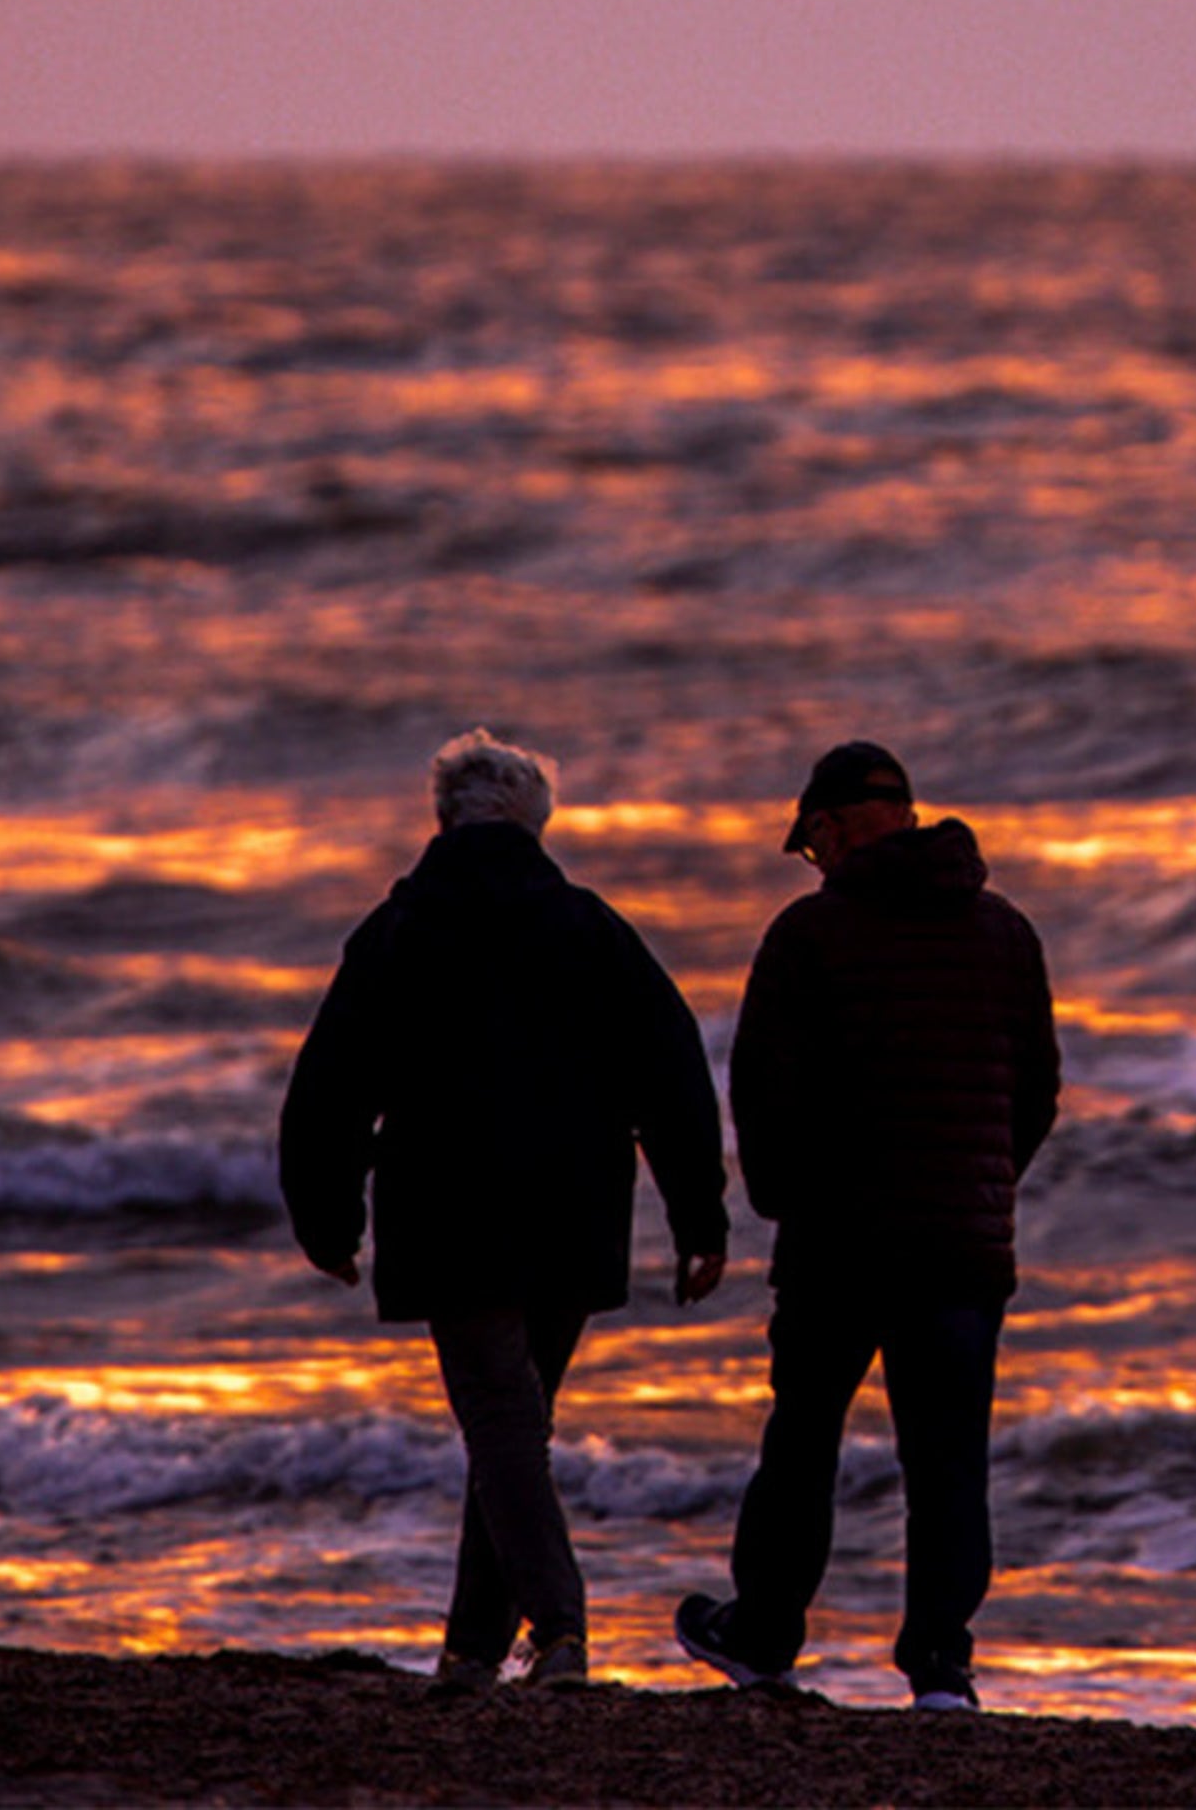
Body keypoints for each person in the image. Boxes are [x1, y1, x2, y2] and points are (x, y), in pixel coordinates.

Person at [277, 730, 729, 1694]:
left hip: (447, 1210)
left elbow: (332, 1084)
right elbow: (673, 1070)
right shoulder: (587, 926)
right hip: (573, 1208)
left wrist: (327, 1216)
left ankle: (559, 1631)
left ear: (443, 822)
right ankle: (475, 1651)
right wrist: (700, 1218)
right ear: (536, 824)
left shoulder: (398, 929)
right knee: (514, 1419)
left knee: (502, 1418)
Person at [676, 740, 1060, 1714]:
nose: (813, 861)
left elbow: (763, 1096)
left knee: (804, 1441)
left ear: (837, 825)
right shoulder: (1005, 933)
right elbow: (1038, 1090)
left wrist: (777, 1200)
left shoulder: (809, 936)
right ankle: (941, 1670)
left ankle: (762, 1638)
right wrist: (977, 1183)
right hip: (963, 1246)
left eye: (810, 843)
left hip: (839, 1244)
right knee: (948, 1462)